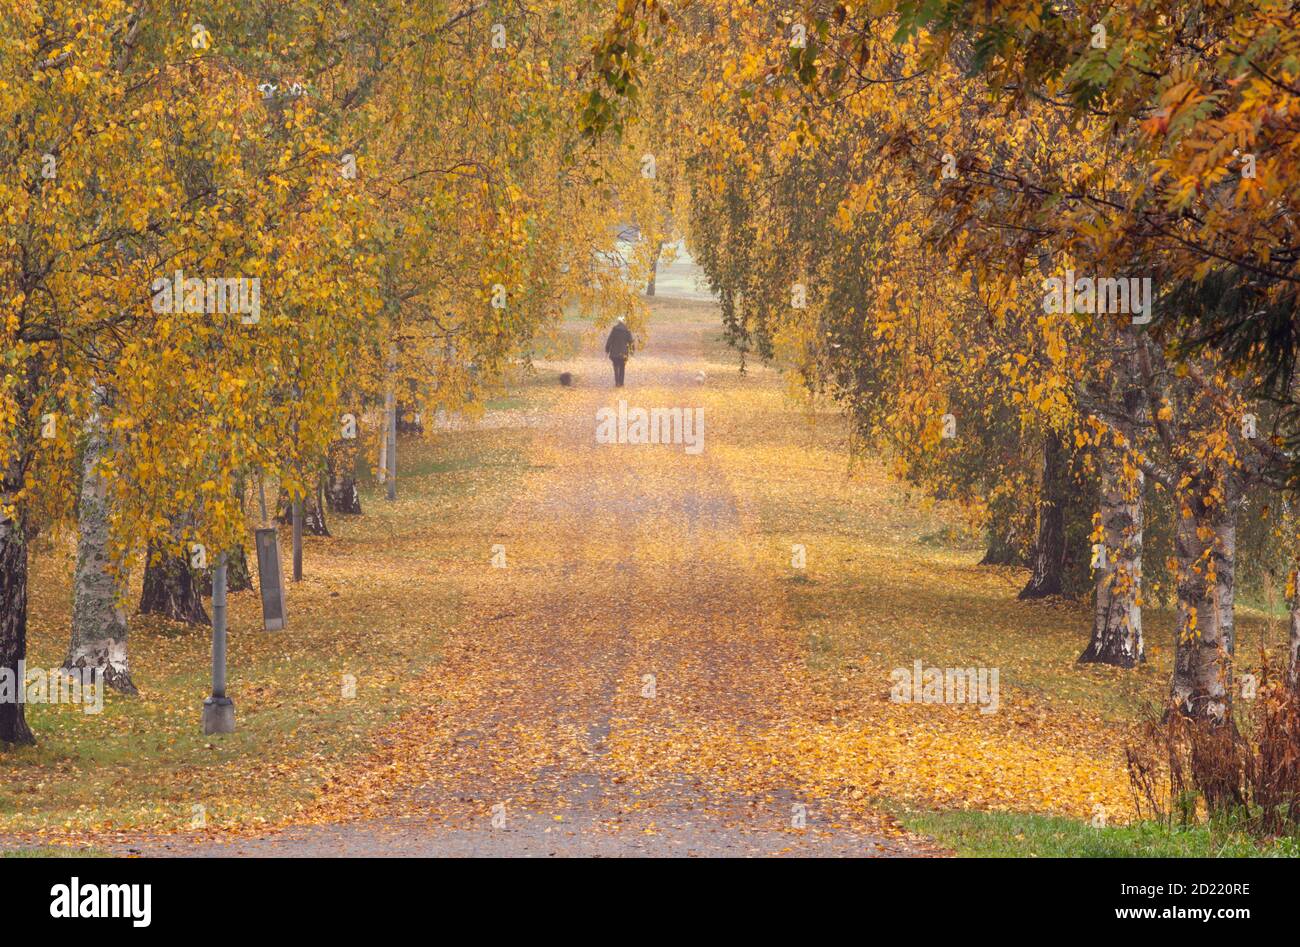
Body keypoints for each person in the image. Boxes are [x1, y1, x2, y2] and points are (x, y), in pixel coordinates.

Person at [604, 316, 633, 387]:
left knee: (616, 367)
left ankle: (617, 382)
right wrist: (632, 351)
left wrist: (607, 349)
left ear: (618, 321)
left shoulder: (614, 329)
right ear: (624, 321)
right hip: (624, 353)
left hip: (614, 353)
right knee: (622, 367)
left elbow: (610, 340)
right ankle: (621, 382)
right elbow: (630, 341)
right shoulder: (627, 330)